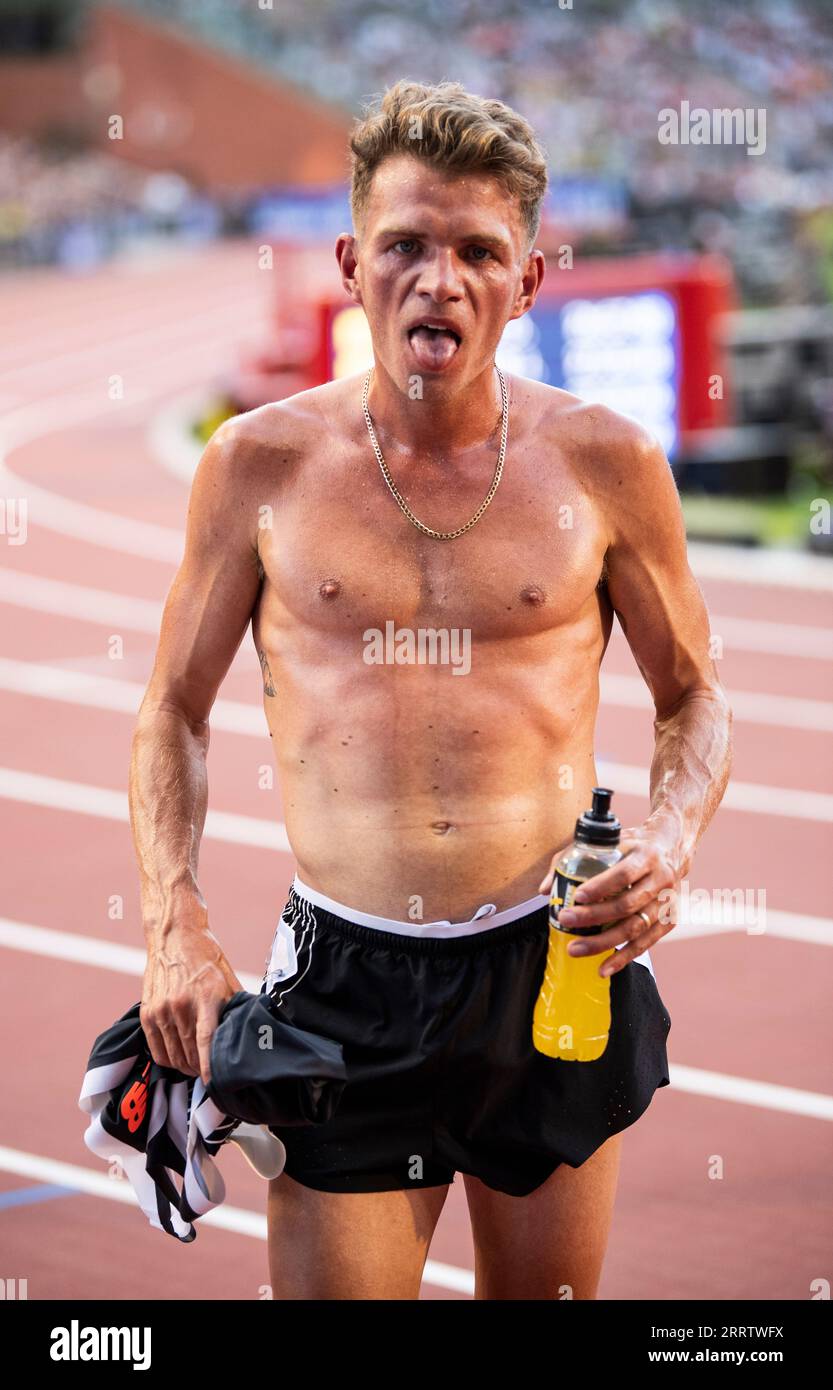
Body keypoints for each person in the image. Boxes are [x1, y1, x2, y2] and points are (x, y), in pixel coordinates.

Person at [129, 79, 733, 1300]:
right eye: (405, 244)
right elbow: (170, 714)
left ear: (527, 281)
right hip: (341, 984)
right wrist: (172, 922)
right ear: (352, 262)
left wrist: (667, 842)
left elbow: (694, 699)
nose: (438, 279)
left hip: (552, 968)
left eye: (475, 251)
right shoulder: (256, 466)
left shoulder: (607, 463)